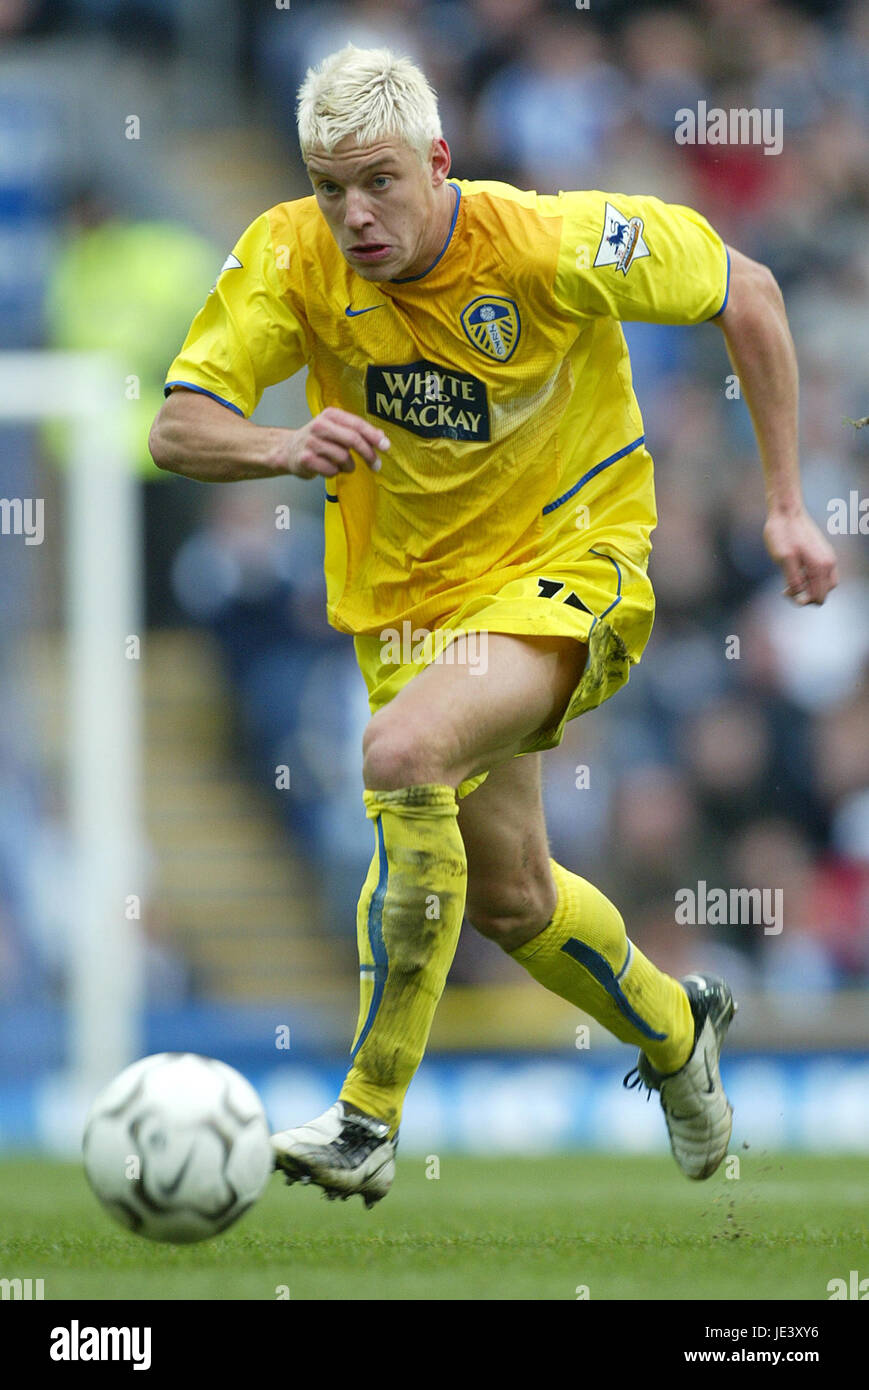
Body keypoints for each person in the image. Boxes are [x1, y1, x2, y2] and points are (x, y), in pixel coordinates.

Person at [149, 45, 838, 1208]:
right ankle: (678, 1031)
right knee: (512, 896)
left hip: (576, 562)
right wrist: (281, 444)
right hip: (410, 611)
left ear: (437, 159)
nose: (351, 215)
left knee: (400, 754)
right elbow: (177, 425)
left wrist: (780, 503)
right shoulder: (290, 254)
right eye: (328, 188)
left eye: (377, 182)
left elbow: (749, 291)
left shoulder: (548, 241)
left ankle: (365, 1114)